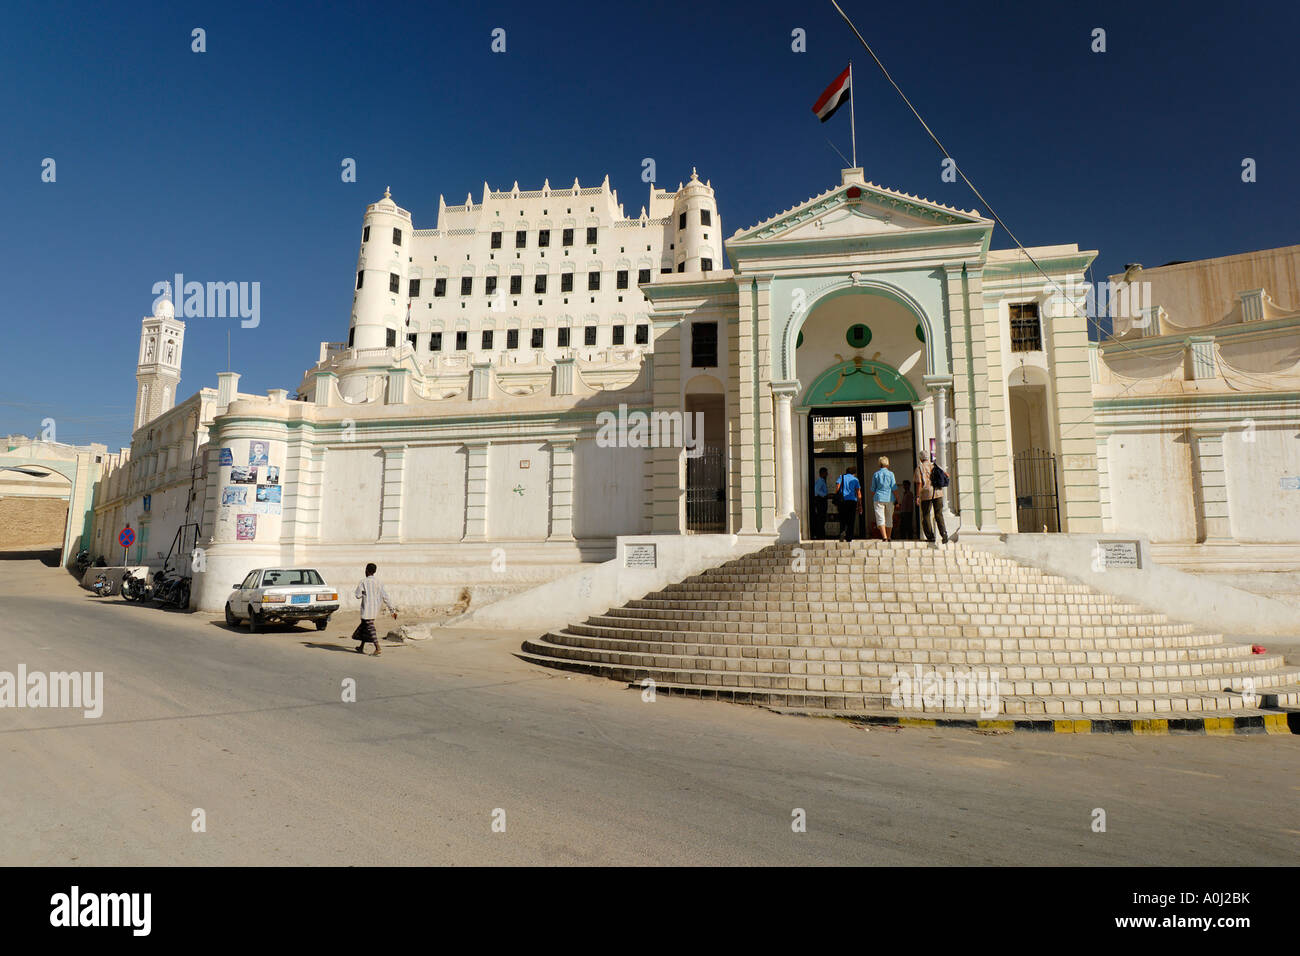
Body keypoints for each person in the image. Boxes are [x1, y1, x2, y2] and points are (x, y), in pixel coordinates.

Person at [352, 562, 398, 656]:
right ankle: (361, 646)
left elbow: (357, 595)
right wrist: (392, 610)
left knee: (370, 628)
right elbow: (385, 597)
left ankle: (378, 648)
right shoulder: (379, 582)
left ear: (367, 570)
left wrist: (364, 593)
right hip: (374, 610)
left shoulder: (363, 581)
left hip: (366, 610)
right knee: (365, 628)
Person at [915, 451, 949, 544]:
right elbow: (946, 475)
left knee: (926, 515)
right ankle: (944, 534)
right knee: (939, 514)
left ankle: (930, 536)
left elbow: (919, 483)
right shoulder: (935, 465)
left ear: (920, 458)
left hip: (926, 494)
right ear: (928, 457)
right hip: (938, 492)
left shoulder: (920, 468)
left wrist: (918, 496)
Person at [870, 456, 898, 541]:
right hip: (889, 498)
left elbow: (872, 489)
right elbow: (894, 488)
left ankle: (884, 537)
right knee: (889, 517)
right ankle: (889, 536)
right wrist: (897, 499)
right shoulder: (891, 474)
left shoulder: (876, 474)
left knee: (880, 517)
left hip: (878, 498)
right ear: (887, 464)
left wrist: (875, 496)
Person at [833, 466, 862, 542]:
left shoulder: (841, 477)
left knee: (842, 518)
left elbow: (837, 488)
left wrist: (836, 498)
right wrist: (860, 505)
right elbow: (859, 494)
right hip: (852, 501)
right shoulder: (855, 480)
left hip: (842, 501)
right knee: (851, 519)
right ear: (854, 473)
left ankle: (842, 531)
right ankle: (849, 537)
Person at [811, 467, 830, 539]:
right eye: (826, 473)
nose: (827, 474)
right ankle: (820, 535)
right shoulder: (820, 481)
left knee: (822, 518)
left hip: (822, 501)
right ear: (822, 473)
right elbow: (816, 491)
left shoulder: (822, 481)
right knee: (820, 518)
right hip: (820, 501)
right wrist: (824, 495)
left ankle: (821, 534)